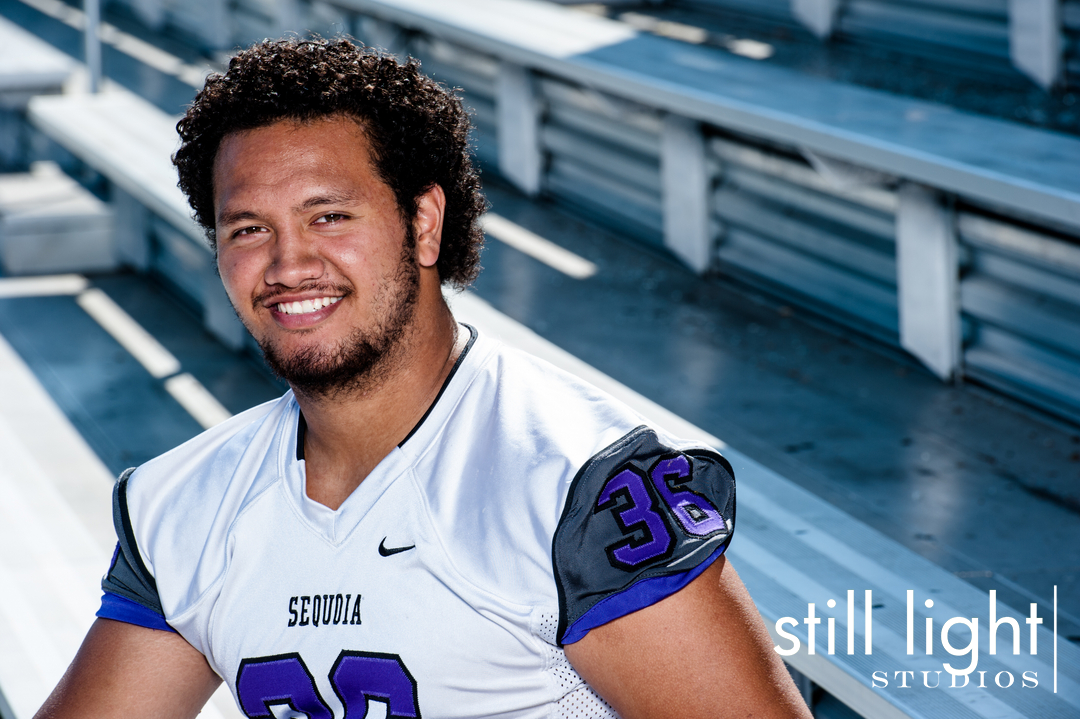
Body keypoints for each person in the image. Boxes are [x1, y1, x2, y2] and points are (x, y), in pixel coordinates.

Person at [36, 38, 811, 719]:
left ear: (425, 223)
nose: (288, 264)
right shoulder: (183, 503)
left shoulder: (576, 483)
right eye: (249, 229)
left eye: (329, 216)